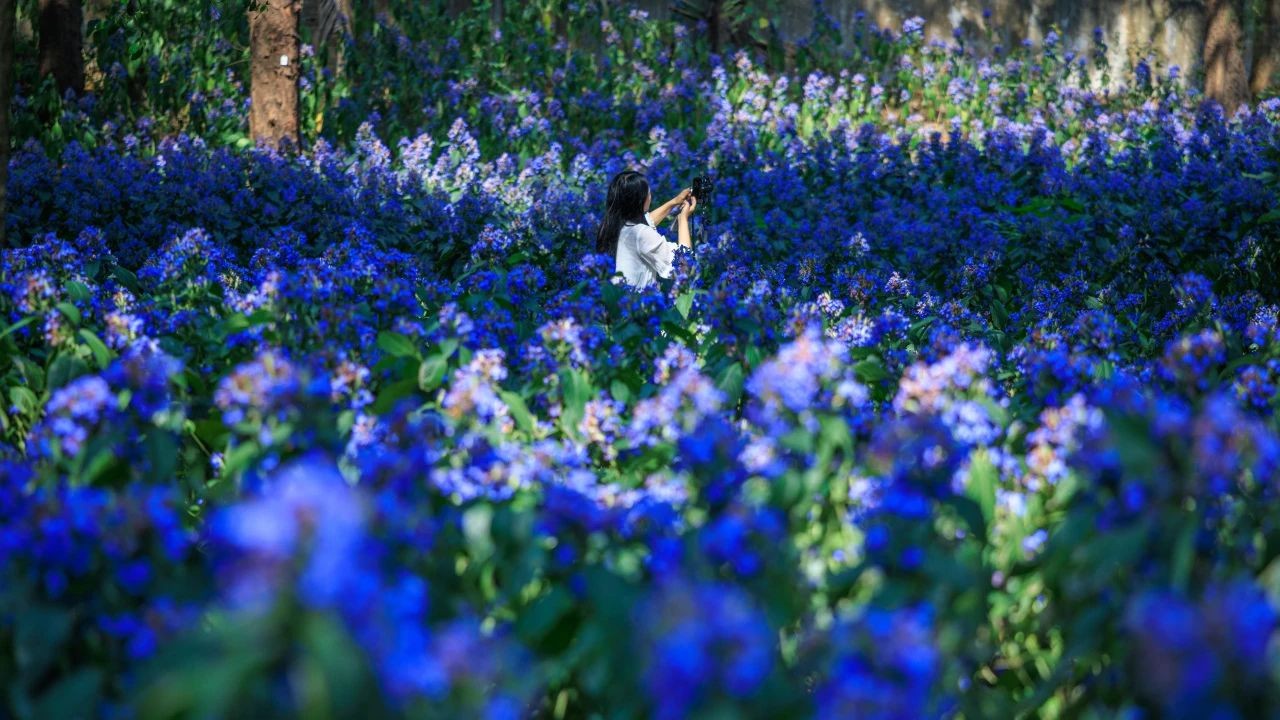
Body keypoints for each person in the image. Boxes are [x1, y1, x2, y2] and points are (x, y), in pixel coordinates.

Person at [594, 170, 697, 290]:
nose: (650, 196)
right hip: (635, 305)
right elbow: (683, 265)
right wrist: (683, 219)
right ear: (640, 200)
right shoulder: (641, 233)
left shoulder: (610, 226)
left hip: (613, 304)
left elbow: (645, 222)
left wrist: (674, 202)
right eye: (648, 193)